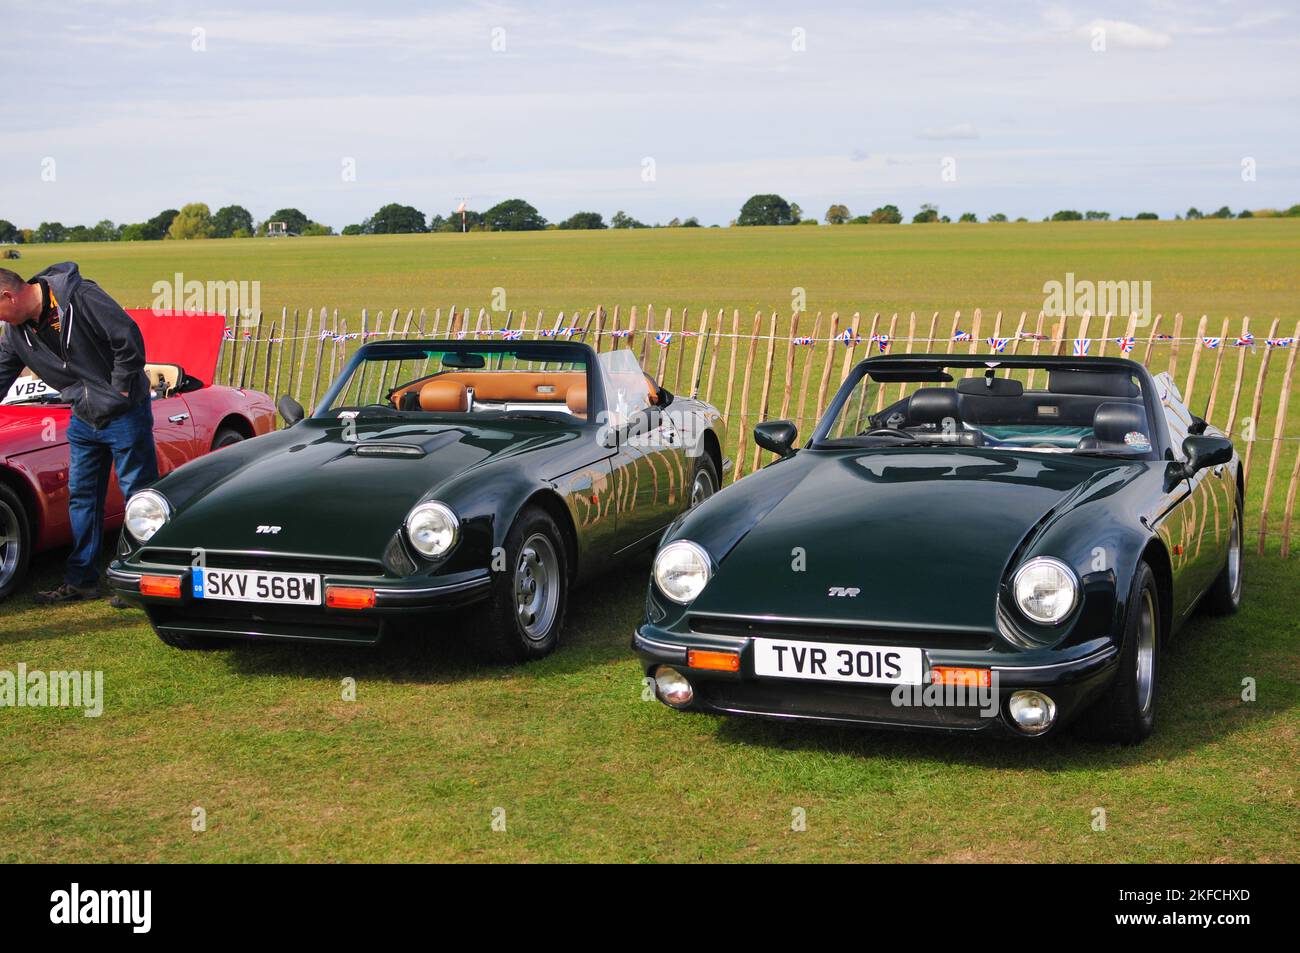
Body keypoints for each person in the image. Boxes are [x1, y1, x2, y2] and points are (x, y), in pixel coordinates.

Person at [0, 262, 157, 604]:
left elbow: (127, 337)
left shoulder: (81, 296)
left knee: (140, 496)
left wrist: (121, 391)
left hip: (125, 413)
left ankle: (141, 577)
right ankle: (82, 580)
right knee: (82, 498)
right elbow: (0, 374)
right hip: (83, 418)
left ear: (8, 296)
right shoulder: (15, 334)